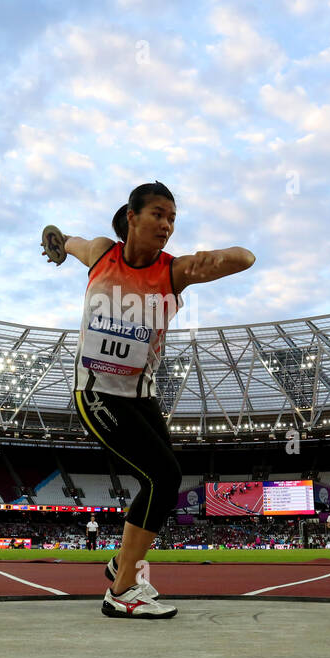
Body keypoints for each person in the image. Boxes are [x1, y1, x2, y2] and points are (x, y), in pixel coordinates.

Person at [42, 182, 255, 618]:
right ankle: (122, 590)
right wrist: (59, 243)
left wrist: (205, 262)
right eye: (158, 214)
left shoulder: (173, 272)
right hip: (97, 391)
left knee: (164, 481)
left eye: (173, 218)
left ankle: (124, 566)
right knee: (163, 477)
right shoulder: (103, 253)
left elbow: (244, 258)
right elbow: (74, 243)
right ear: (132, 217)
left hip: (142, 396)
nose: (167, 225)